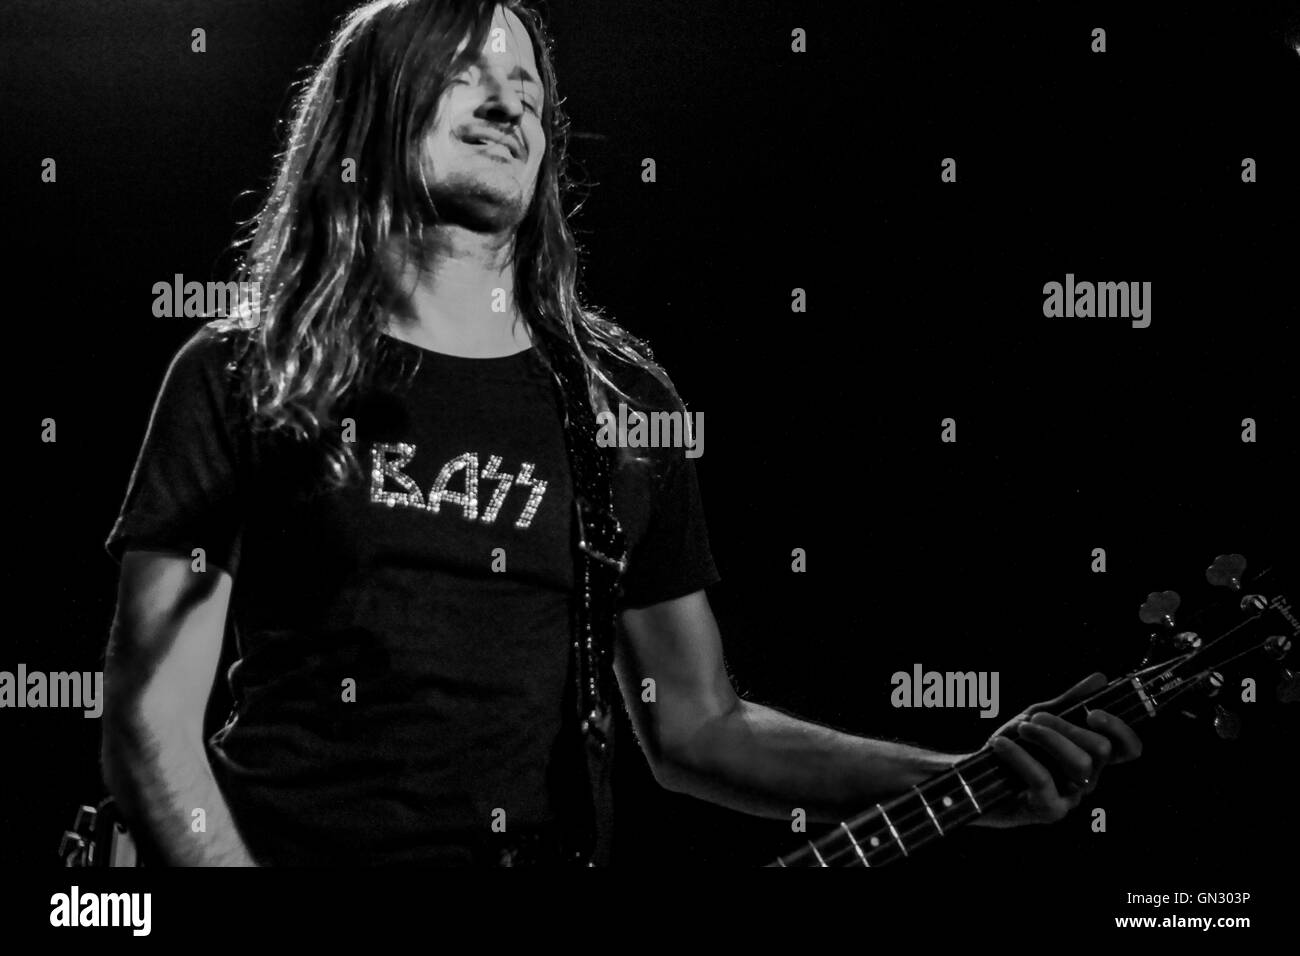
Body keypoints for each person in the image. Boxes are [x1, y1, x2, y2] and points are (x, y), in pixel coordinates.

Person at [101, 0, 1141, 867]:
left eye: (531, 92)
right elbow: (152, 715)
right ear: (370, 109)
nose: (510, 102)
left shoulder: (619, 400)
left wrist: (966, 780)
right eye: (468, 71)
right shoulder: (248, 368)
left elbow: (696, 727)